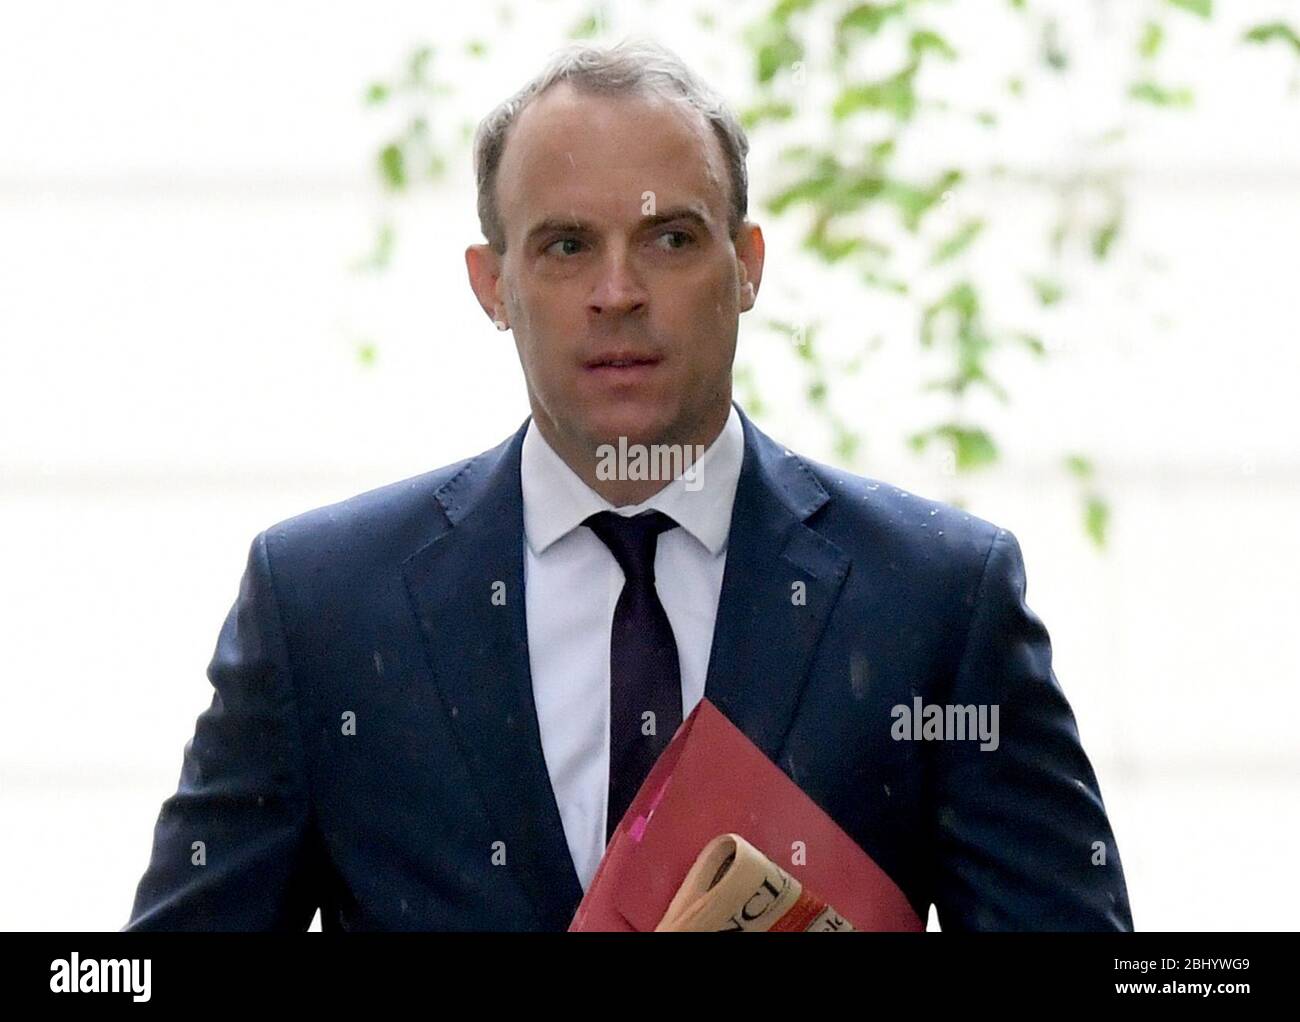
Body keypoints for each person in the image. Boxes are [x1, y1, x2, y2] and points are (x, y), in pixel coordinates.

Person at [123, 38, 1132, 932]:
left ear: (746, 265)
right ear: (492, 283)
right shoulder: (322, 605)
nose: (618, 292)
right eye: (566, 246)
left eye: (671, 239)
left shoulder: (935, 597)